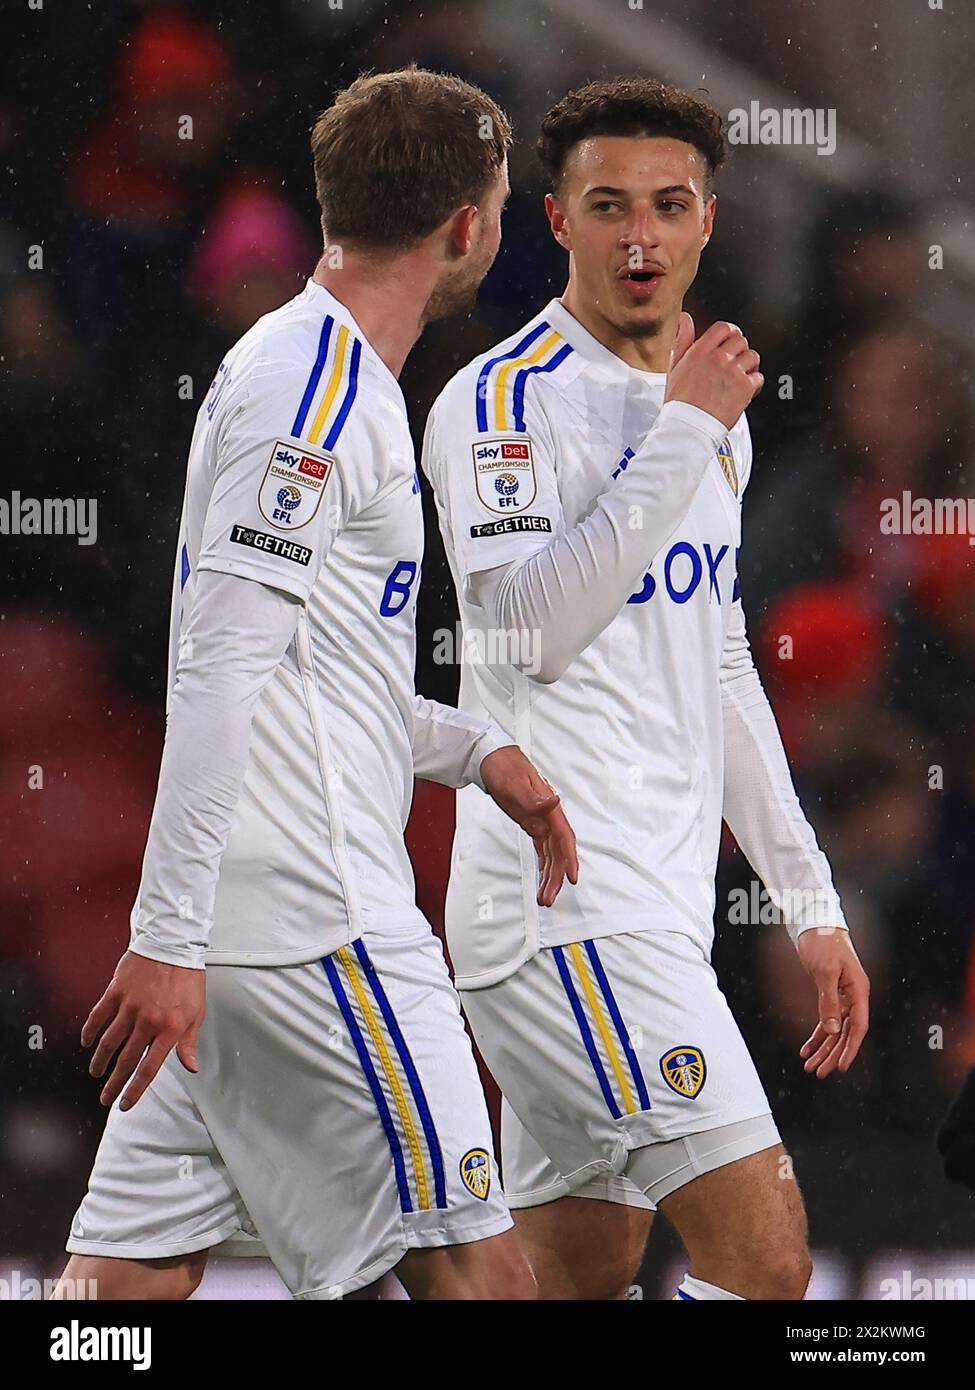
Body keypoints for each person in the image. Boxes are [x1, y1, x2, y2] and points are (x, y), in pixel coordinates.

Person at [55, 67, 579, 1303]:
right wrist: (167, 934)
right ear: (469, 226)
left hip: (237, 939)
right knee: (484, 1282)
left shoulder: (300, 368)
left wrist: (471, 750)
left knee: (109, 1300)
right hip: (314, 930)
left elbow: (308, 669)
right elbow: (222, 665)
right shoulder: (319, 394)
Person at [422, 77, 870, 1301]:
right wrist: (678, 433)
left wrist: (808, 898)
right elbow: (527, 629)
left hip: (653, 912)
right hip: (565, 912)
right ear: (555, 223)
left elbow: (719, 659)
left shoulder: (713, 414)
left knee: (574, 1280)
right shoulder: (506, 404)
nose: (641, 239)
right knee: (768, 1265)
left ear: (709, 221)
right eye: (608, 206)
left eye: (669, 207)